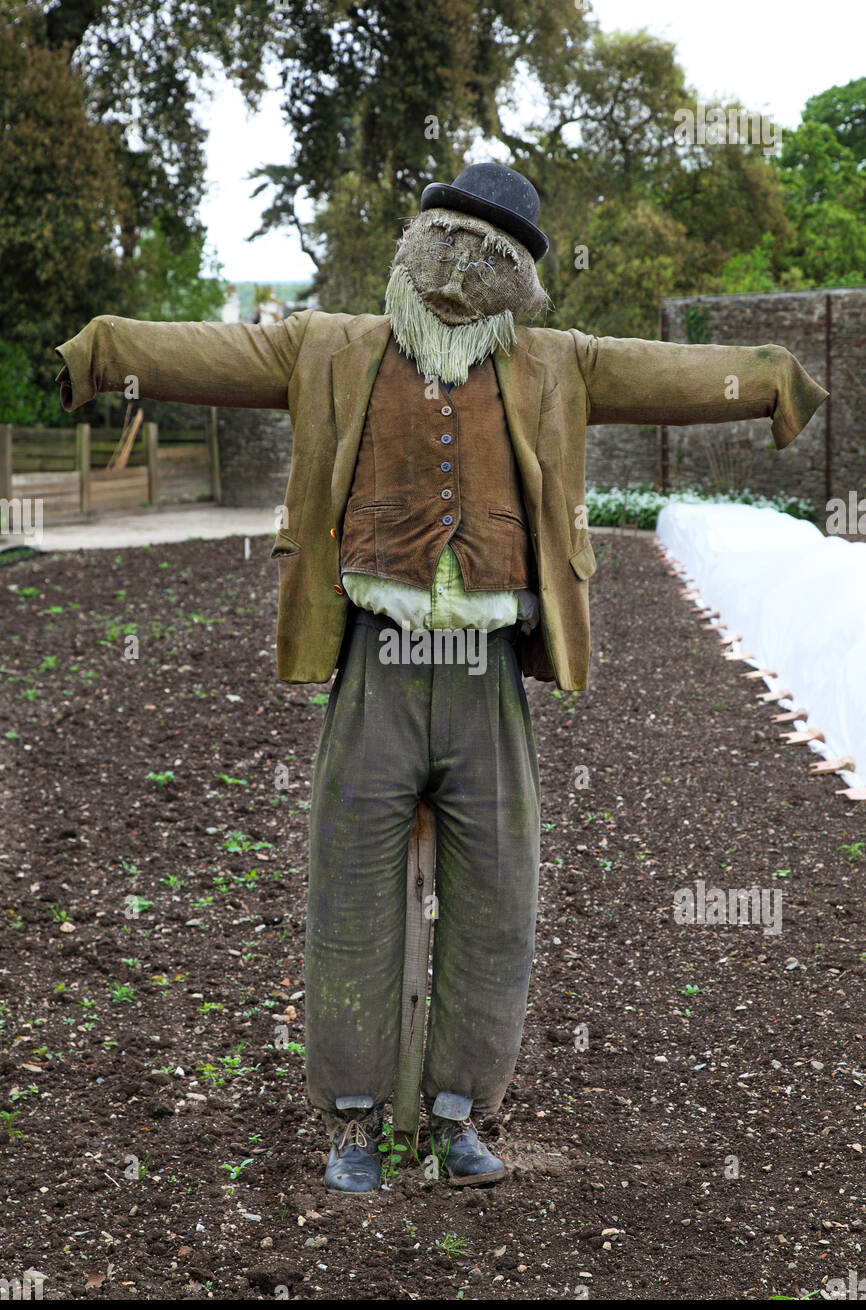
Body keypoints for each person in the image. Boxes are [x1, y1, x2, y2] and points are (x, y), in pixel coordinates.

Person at [55, 162, 828, 1193]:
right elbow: (206, 350)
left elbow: (670, 373)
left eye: (491, 255)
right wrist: (96, 355)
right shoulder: (328, 347)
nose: (463, 270)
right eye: (449, 243)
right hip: (375, 664)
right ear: (416, 244)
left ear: (519, 277)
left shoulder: (555, 362)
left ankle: (460, 1113)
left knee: (497, 898)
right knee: (351, 897)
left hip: (484, 680)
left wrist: (776, 378)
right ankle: (355, 1122)